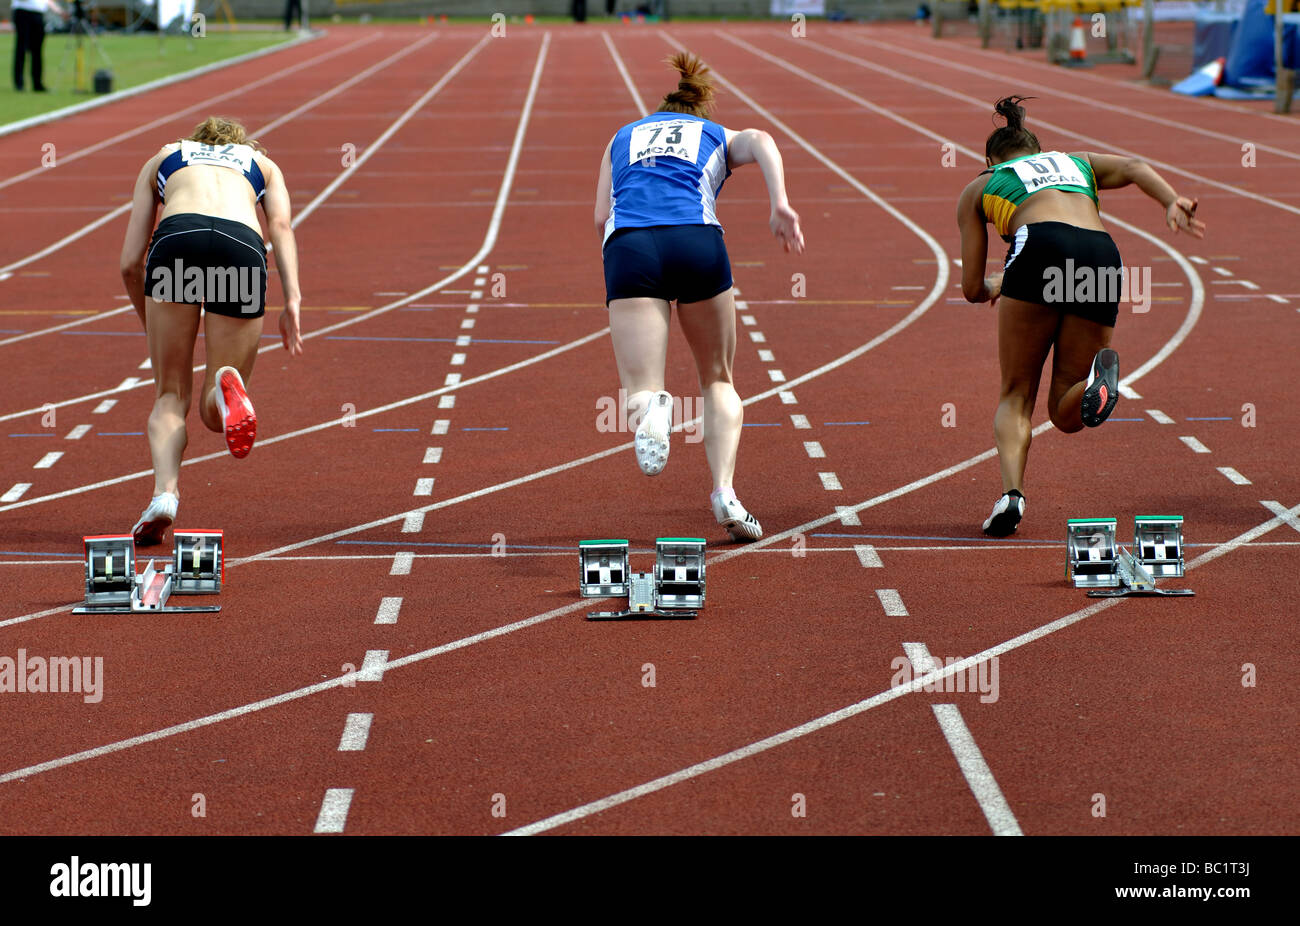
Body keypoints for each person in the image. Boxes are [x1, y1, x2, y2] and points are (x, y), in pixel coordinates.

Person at [956, 96, 1204, 537]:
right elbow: (1133, 166)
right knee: (1067, 413)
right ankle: (1096, 385)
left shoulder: (983, 184)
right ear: (1038, 150)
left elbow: (972, 289)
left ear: (990, 159)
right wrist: (1171, 200)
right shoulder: (1077, 163)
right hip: (1100, 254)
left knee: (1016, 394)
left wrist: (998, 284)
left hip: (1039, 244)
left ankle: (1011, 496)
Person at [593, 52, 804, 542]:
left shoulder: (621, 137)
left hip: (631, 247)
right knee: (718, 379)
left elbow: (601, 216)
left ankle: (654, 408)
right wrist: (780, 203)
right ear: (697, 112)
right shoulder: (713, 134)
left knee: (640, 388)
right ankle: (725, 493)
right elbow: (763, 140)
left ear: (657, 113)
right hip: (697, 240)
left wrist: (622, 265)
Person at [119, 116, 304, 546]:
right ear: (242, 143)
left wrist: (151, 320)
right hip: (240, 246)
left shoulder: (164, 156)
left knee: (170, 394)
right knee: (210, 412)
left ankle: (164, 496)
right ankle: (225, 388)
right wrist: (293, 297)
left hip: (177, 240)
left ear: (194, 141)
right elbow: (281, 227)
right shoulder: (262, 164)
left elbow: (130, 262)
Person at [12, 0, 66, 92]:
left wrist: (58, 10)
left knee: (37, 50)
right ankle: (19, 83)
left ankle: (37, 83)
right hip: (23, 12)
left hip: (38, 14)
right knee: (21, 48)